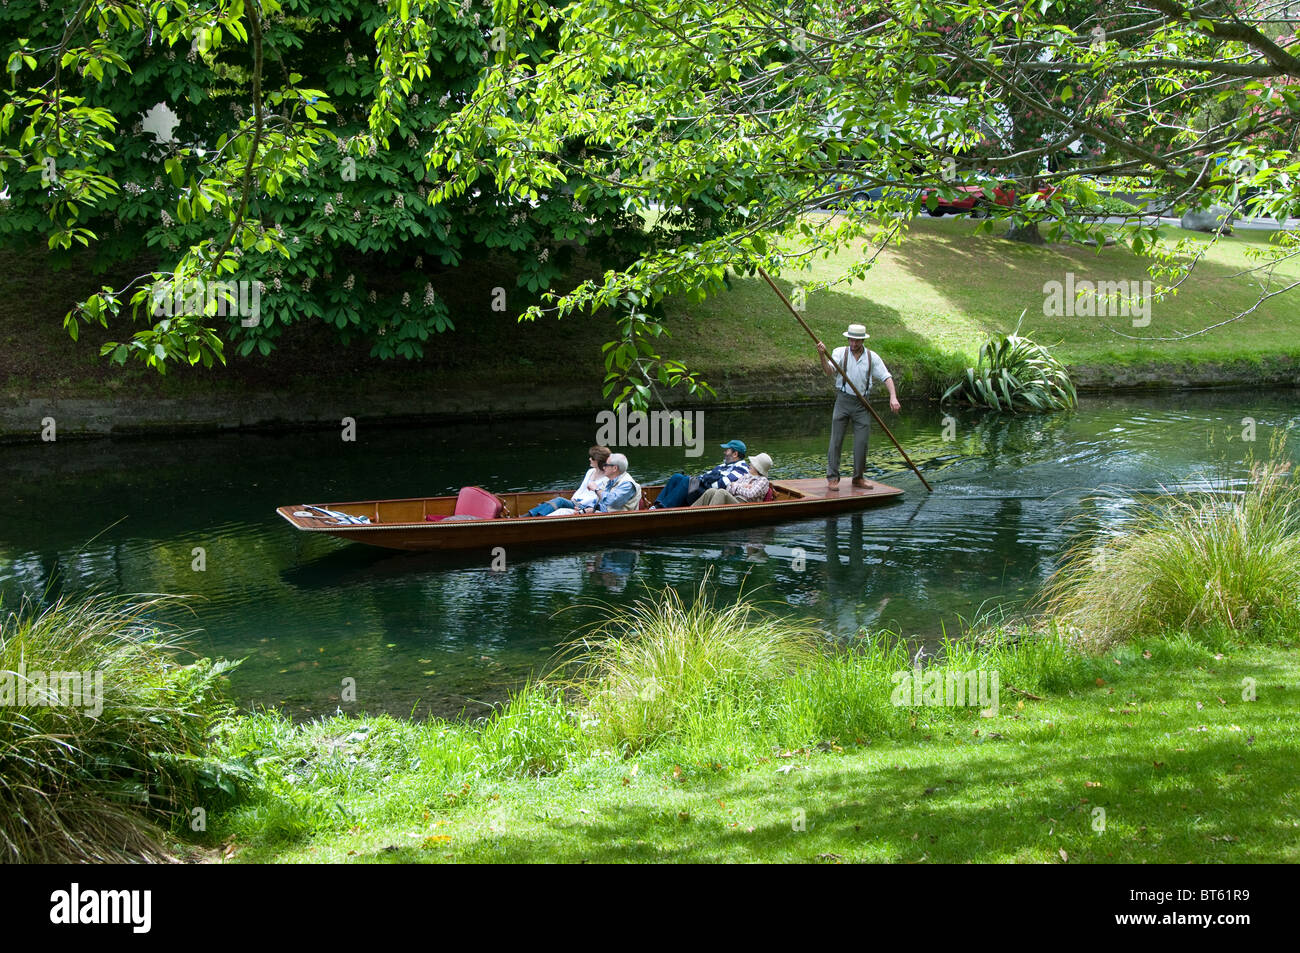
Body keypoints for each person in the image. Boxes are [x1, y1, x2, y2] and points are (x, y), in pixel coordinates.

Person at [816, 323, 900, 489]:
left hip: (863, 404)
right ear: (848, 338)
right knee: (836, 441)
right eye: (851, 340)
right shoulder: (839, 353)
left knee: (861, 442)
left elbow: (886, 377)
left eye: (857, 341)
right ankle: (833, 478)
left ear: (863, 340)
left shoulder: (872, 357)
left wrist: (893, 397)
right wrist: (822, 356)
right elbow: (828, 371)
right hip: (843, 400)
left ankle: (858, 477)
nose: (853, 344)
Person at [649, 439, 751, 509]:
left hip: (710, 494)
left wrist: (701, 481)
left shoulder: (741, 468)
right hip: (704, 487)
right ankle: (657, 504)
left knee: (687, 481)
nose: (724, 452)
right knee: (677, 477)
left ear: (735, 454)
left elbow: (720, 484)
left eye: (727, 450)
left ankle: (663, 509)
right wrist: (699, 479)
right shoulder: (723, 465)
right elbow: (705, 475)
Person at [527, 446, 610, 517]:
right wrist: (573, 499)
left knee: (560, 500)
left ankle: (535, 517)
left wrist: (582, 506)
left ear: (598, 461)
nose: (589, 459)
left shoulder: (607, 478)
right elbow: (581, 489)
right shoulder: (590, 472)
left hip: (585, 506)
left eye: (592, 458)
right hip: (577, 502)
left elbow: (599, 498)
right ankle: (530, 516)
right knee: (559, 501)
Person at [691, 452, 773, 506]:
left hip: (746, 506)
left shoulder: (763, 480)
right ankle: (691, 511)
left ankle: (708, 517)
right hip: (735, 500)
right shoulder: (747, 475)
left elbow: (750, 494)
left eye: (753, 463)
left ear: (758, 468)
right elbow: (729, 487)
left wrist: (736, 486)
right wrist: (742, 486)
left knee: (721, 492)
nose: (750, 464)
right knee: (711, 491)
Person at [576, 453, 641, 513]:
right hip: (602, 516)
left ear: (615, 468)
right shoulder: (608, 480)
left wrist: (596, 489)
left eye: (606, 465)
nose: (603, 467)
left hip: (617, 521)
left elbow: (612, 502)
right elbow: (600, 502)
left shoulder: (627, 484)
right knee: (567, 512)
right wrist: (588, 508)